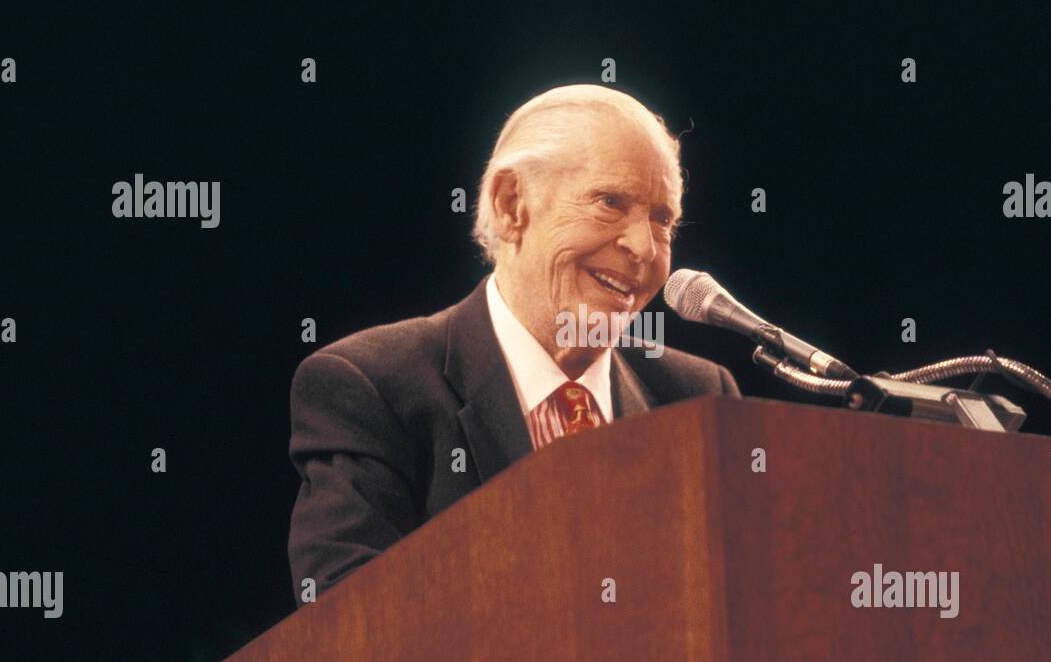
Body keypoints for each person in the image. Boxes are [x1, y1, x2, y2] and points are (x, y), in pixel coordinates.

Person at [286, 84, 740, 603]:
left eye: (663, 220)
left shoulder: (699, 398)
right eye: (610, 202)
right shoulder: (371, 387)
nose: (644, 247)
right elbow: (349, 634)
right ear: (511, 204)